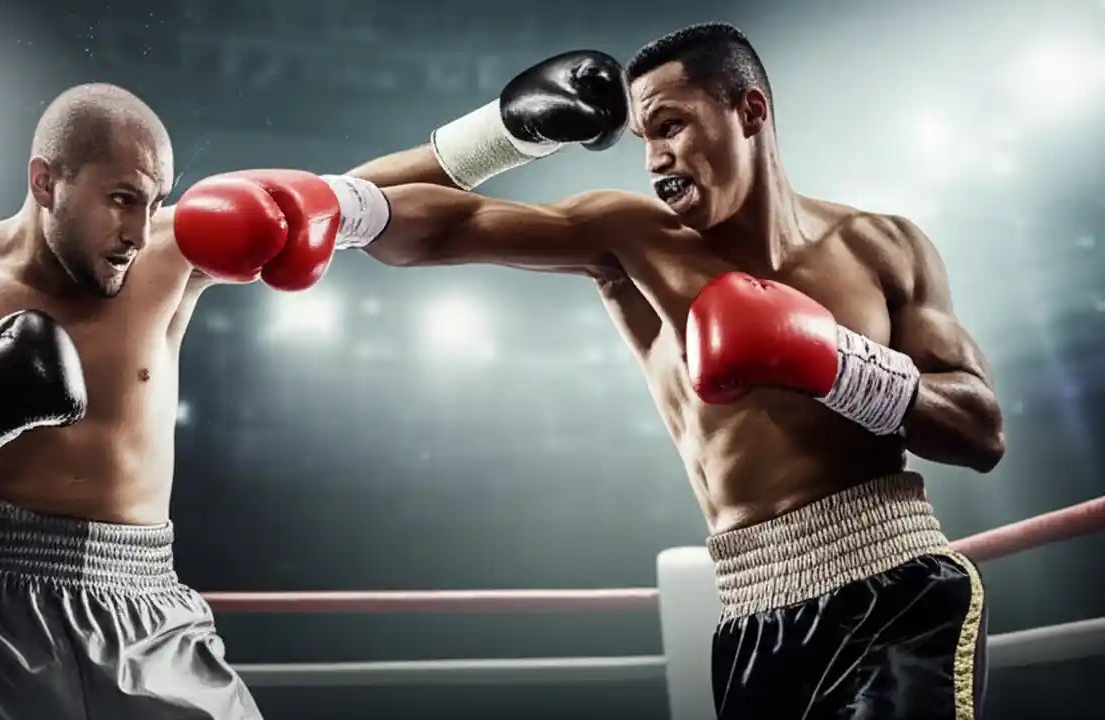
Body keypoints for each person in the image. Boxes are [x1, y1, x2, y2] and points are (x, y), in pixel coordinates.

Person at [177, 22, 1003, 719]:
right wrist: (478, 144)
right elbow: (428, 226)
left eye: (673, 125)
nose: (655, 159)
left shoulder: (884, 245)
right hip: (755, 614)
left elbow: (978, 431)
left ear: (750, 110)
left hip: (899, 586)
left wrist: (831, 361)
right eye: (644, 140)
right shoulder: (632, 237)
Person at [0, 83, 361, 719]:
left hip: (150, 613)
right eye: (121, 199)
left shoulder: (173, 249)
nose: (138, 231)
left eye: (154, 201)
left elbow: (341, 205)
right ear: (45, 182)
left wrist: (489, 140)